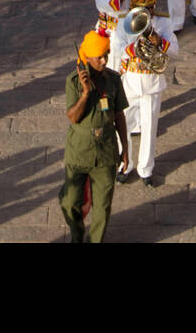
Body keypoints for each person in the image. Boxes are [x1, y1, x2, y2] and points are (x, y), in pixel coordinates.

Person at [59, 30, 129, 243]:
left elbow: (119, 115)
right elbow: (73, 117)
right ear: (87, 57)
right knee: (70, 201)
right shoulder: (74, 81)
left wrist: (125, 148)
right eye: (99, 56)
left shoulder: (114, 80)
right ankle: (77, 234)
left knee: (103, 205)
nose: (104, 60)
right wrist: (85, 93)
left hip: (106, 150)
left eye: (106, 54)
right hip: (80, 150)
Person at [115, 0, 177, 187]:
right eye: (140, 8)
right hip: (130, 80)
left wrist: (159, 41)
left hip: (151, 81)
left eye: (148, 9)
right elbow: (117, 47)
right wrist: (133, 47)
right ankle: (125, 164)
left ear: (152, 7)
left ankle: (146, 169)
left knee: (149, 127)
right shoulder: (124, 22)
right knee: (123, 125)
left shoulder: (163, 22)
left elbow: (175, 49)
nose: (146, 12)